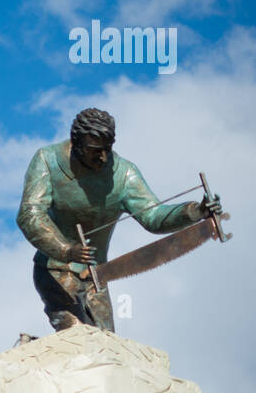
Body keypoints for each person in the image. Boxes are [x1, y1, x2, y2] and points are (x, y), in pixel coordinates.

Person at [16, 107, 221, 332]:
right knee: (76, 335)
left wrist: (194, 211)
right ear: (77, 143)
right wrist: (66, 250)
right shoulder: (47, 160)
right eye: (95, 150)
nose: (103, 157)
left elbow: (153, 216)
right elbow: (30, 214)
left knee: (107, 344)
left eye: (107, 149)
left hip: (96, 276)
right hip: (54, 271)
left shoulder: (123, 174)